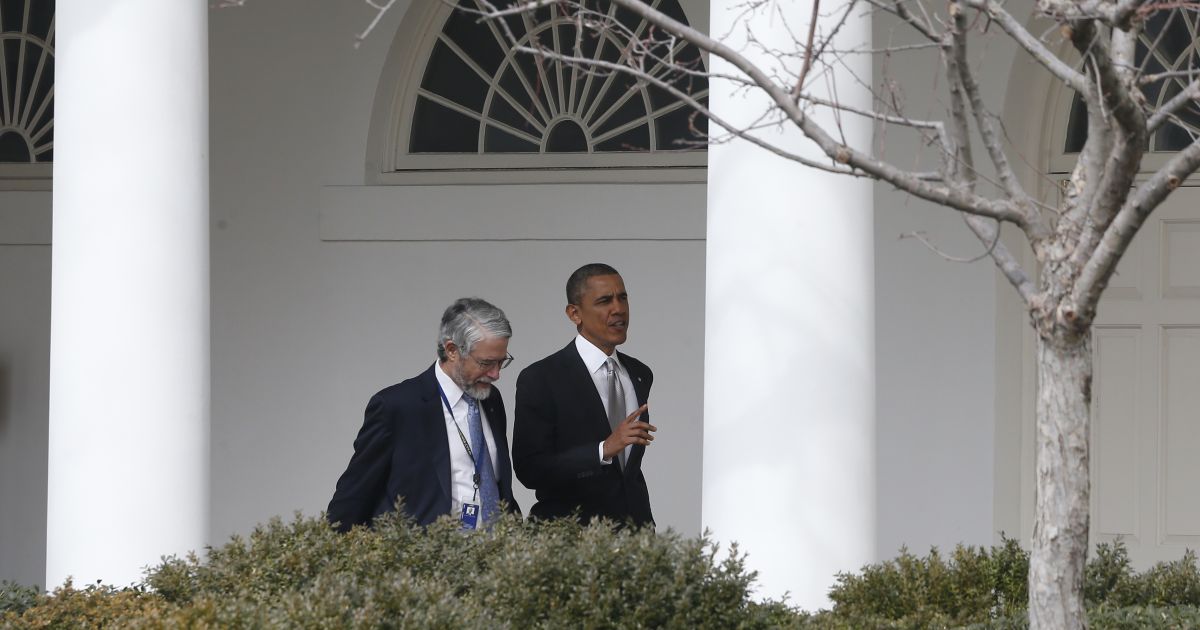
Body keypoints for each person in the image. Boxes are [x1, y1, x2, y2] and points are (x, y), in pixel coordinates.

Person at [327, 297, 521, 531]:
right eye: (486, 363)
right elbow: (355, 493)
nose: (496, 374)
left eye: (501, 362)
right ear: (452, 350)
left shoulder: (490, 399)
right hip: (427, 550)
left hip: (493, 549)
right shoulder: (397, 407)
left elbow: (499, 483)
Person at [513, 263, 657, 527]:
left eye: (623, 297)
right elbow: (530, 470)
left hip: (635, 537)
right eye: (604, 301)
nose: (618, 309)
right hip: (570, 538)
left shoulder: (639, 373)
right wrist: (602, 450)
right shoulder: (541, 378)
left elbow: (626, 471)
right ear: (574, 313)